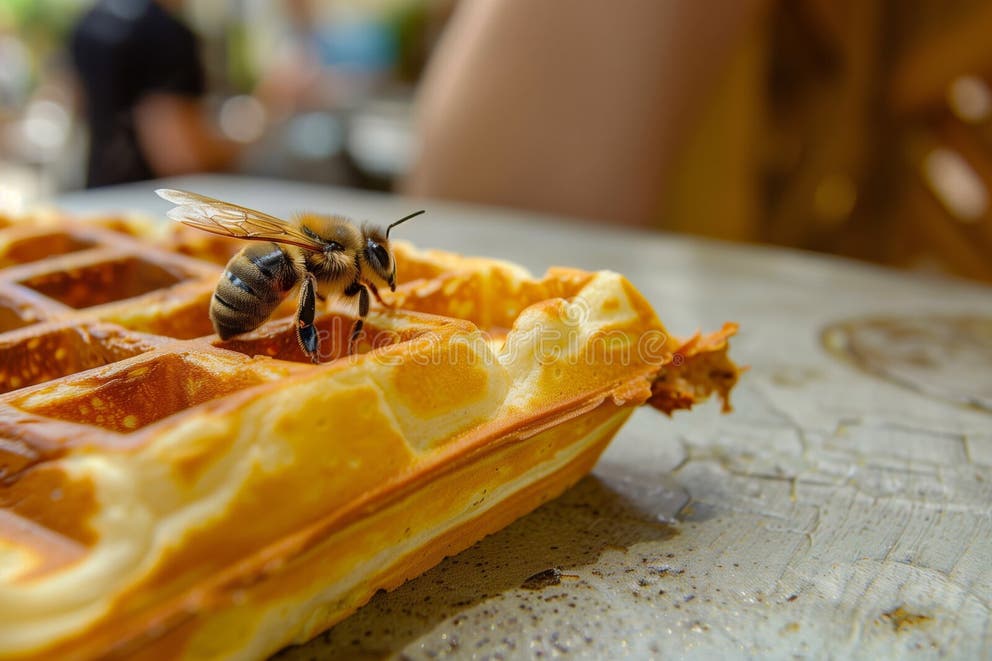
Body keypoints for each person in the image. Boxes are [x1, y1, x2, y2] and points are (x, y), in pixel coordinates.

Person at [70, 0, 237, 187]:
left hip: (101, 191)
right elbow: (177, 156)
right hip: (152, 196)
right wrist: (244, 143)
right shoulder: (165, 33)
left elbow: (76, 102)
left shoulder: (89, 21)